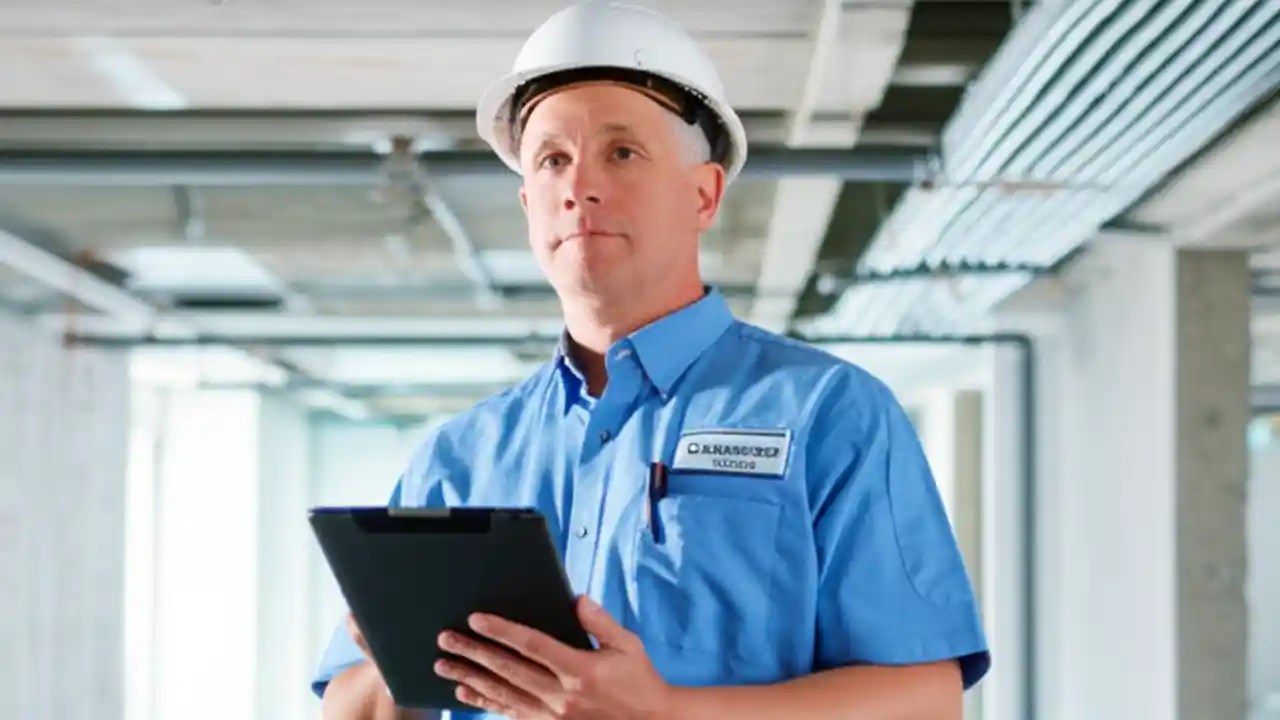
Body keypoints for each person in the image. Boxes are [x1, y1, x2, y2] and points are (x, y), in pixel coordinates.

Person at [314, 2, 990, 718]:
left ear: (704, 194)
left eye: (622, 152)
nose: (579, 186)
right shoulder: (460, 457)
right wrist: (400, 672)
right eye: (552, 160)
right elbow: (347, 706)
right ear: (528, 204)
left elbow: (925, 700)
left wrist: (669, 713)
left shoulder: (828, 413)